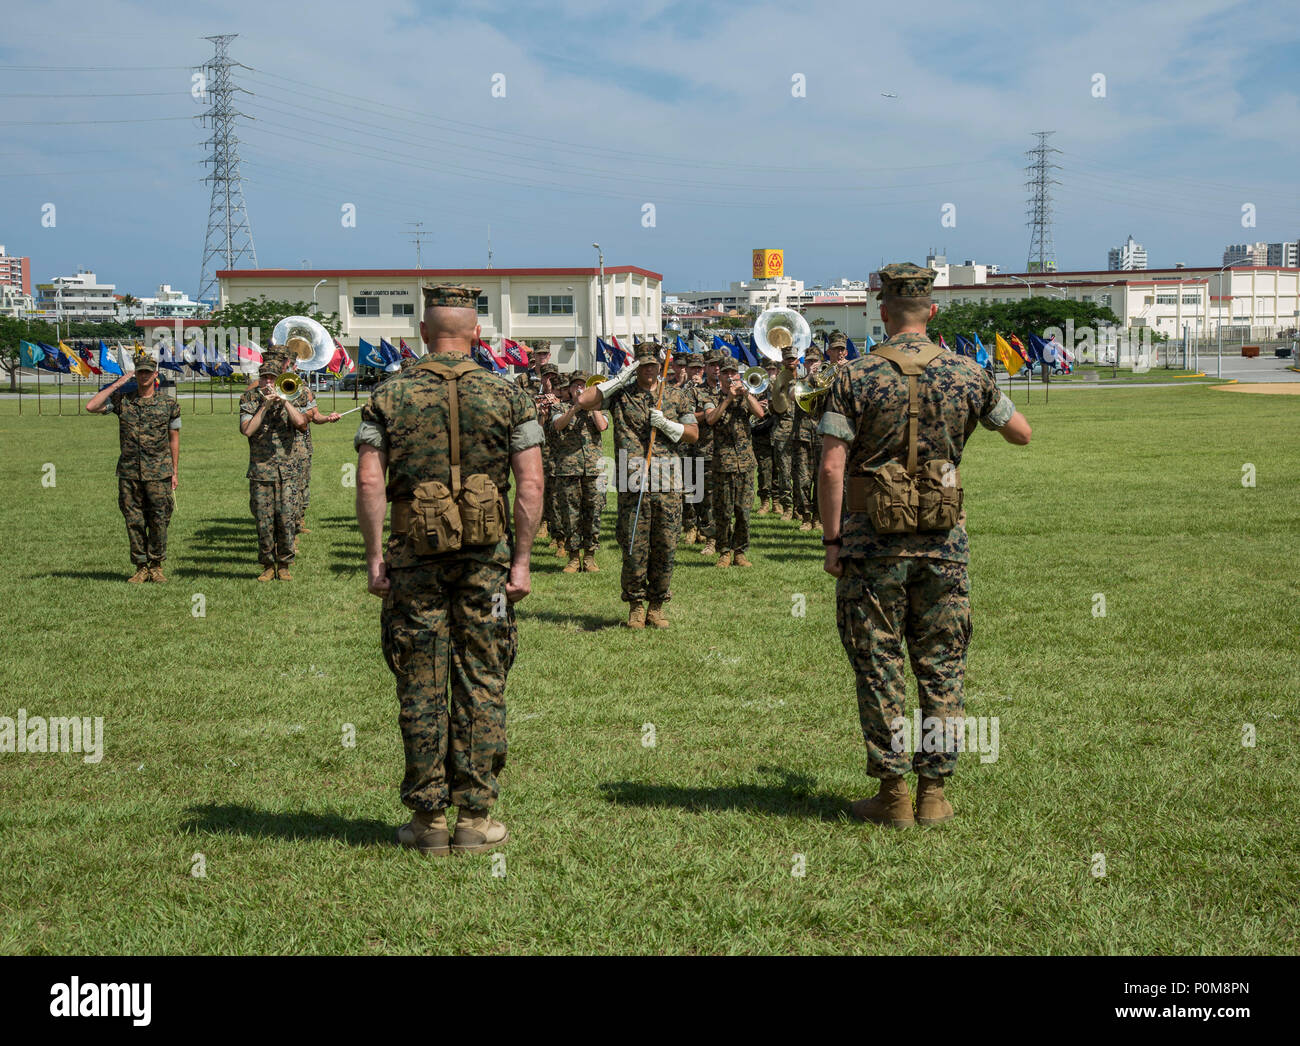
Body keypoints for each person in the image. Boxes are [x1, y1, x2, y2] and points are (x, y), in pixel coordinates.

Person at [818, 263, 1032, 828]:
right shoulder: (967, 374)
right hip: (943, 546)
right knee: (942, 667)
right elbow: (1022, 432)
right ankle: (934, 792)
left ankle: (893, 796)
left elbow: (833, 468)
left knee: (879, 664)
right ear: (932, 311)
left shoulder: (852, 377)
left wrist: (833, 540)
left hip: (871, 545)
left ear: (882, 312)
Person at [355, 283, 544, 856]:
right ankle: (476, 819)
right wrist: (522, 561)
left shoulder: (388, 394)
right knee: (482, 678)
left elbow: (368, 481)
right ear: (476, 333)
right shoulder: (508, 394)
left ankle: (428, 820)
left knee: (420, 680)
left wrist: (374, 558)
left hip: (415, 561)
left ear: (422, 334)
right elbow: (531, 483)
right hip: (486, 568)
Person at [577, 343, 698, 629]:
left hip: (668, 481)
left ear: (659, 366)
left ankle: (656, 606)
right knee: (634, 545)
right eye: (642, 365)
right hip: (634, 482)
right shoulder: (622, 395)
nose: (648, 369)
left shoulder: (676, 395)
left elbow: (693, 434)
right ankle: (635, 605)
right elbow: (583, 401)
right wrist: (620, 377)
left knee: (666, 545)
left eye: (652, 364)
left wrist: (669, 426)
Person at [86, 350, 181, 583]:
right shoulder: (123, 401)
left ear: (155, 374)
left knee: (159, 519)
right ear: (135, 374)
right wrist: (120, 383)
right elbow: (92, 406)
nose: (144, 376)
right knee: (134, 520)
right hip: (129, 472)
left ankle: (156, 566)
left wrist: (174, 472)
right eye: (140, 372)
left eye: (148, 372)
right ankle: (140, 566)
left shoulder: (168, 404)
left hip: (159, 472)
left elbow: (174, 439)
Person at [240, 360, 309, 580]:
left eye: (273, 377)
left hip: (288, 471)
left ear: (280, 378)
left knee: (286, 519)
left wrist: (285, 401)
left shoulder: (294, 395)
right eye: (265, 377)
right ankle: (268, 565)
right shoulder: (249, 399)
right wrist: (266, 405)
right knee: (264, 520)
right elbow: (248, 430)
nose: (269, 382)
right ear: (260, 378)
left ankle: (285, 564)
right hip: (261, 472)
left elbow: (302, 424)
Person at [703, 358, 763, 567]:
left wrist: (746, 395)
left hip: (746, 463)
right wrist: (727, 399)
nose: (730, 377)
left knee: (744, 511)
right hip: (723, 463)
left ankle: (740, 552)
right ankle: (724, 552)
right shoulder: (712, 397)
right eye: (726, 373)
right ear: (719, 376)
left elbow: (760, 413)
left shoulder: (745, 396)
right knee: (724, 511)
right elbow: (710, 420)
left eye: (733, 373)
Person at [551, 370, 608, 573]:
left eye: (583, 386)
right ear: (570, 389)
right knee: (570, 513)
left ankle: (590, 556)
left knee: (593, 512)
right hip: (568, 469)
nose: (579, 389)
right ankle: (574, 557)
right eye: (575, 386)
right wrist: (575, 408)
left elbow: (602, 426)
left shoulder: (600, 408)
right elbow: (558, 425)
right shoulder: (560, 407)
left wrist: (591, 405)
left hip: (593, 470)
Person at [680, 354, 710, 544]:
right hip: (685, 447)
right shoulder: (681, 391)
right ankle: (690, 526)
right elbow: (683, 415)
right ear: (687, 370)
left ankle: (704, 528)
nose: (696, 372)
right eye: (693, 369)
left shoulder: (707, 390)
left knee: (705, 490)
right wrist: (705, 414)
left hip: (706, 446)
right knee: (688, 489)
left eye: (699, 369)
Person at [769, 345, 798, 521]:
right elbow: (773, 409)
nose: (791, 362)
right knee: (785, 473)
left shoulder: (806, 379)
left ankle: (801, 508)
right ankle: (788, 507)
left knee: (803, 474)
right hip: (783, 431)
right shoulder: (775, 382)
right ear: (783, 361)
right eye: (788, 359)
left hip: (803, 431)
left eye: (793, 359)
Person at [752, 359, 779, 514]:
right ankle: (764, 502)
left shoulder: (782, 386)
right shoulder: (756, 387)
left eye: (773, 370)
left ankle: (776, 501)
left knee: (778, 469)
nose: (771, 373)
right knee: (764, 469)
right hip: (761, 432)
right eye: (768, 370)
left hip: (777, 431)